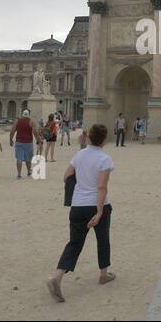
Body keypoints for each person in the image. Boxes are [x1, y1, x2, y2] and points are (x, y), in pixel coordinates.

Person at [46, 124, 115, 302]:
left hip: (77, 206)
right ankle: (103, 274)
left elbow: (66, 176)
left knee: (74, 243)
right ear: (104, 139)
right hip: (97, 205)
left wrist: (78, 187)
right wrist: (99, 211)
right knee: (103, 240)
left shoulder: (80, 154)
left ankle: (57, 276)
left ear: (89, 137)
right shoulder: (105, 159)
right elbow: (101, 187)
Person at [10, 110, 36, 178]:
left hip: (19, 141)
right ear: (28, 114)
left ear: (22, 114)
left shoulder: (17, 121)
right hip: (28, 142)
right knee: (28, 158)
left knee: (19, 158)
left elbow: (12, 130)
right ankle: (29, 171)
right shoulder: (31, 121)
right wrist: (38, 139)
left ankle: (19, 174)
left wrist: (11, 139)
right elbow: (35, 132)